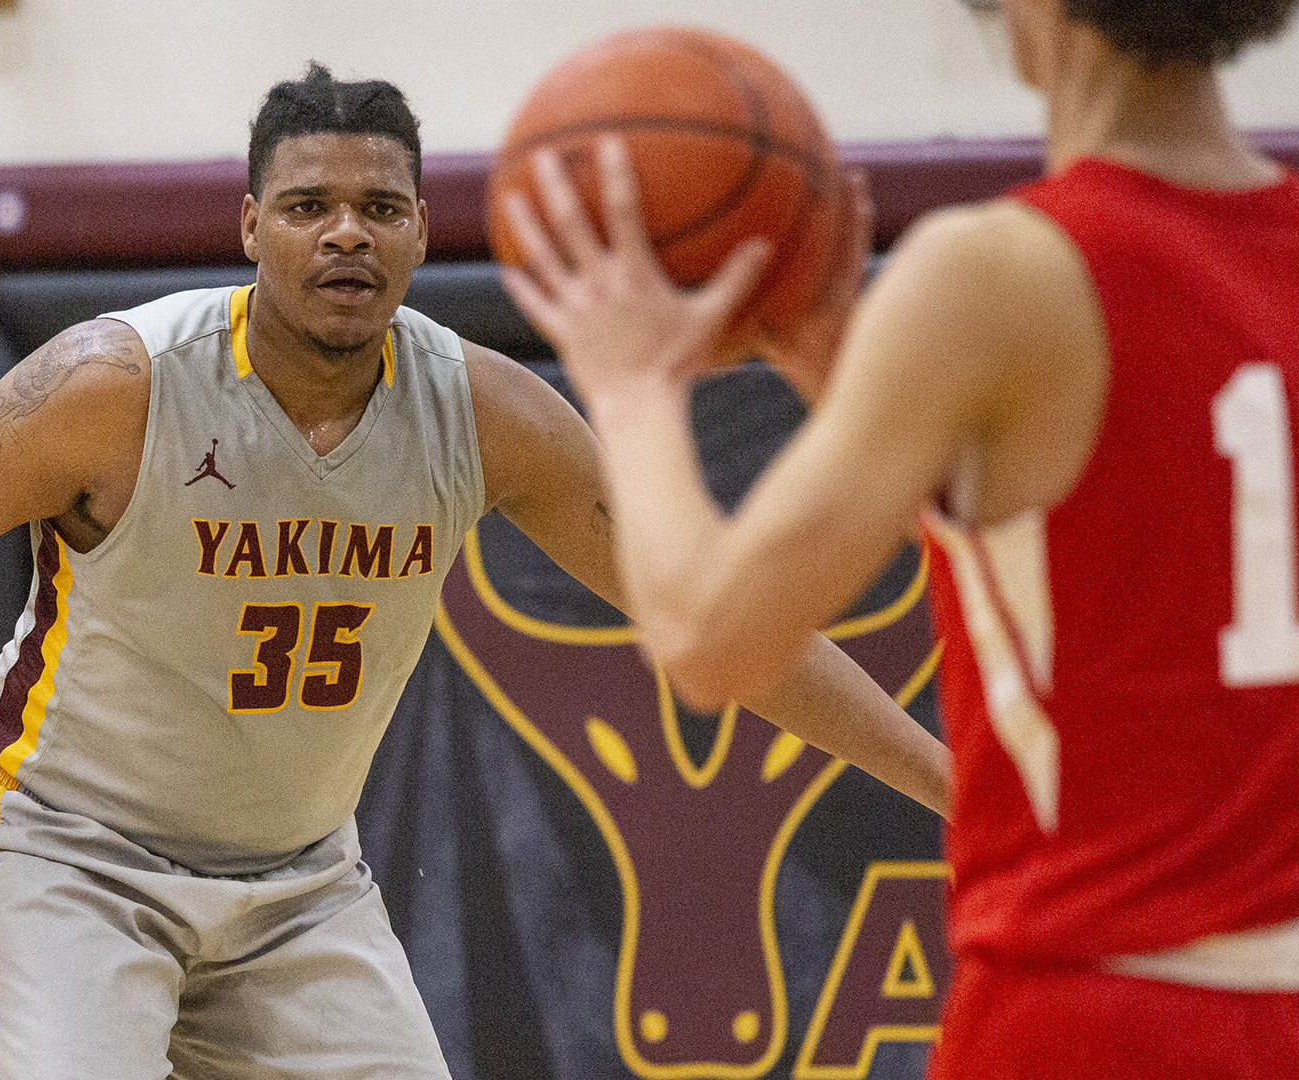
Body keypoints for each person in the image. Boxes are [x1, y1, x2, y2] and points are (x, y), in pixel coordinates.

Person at [0, 64, 948, 1079]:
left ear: (422, 232)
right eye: (310, 206)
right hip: (69, 861)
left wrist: (957, 787)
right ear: (251, 229)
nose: (346, 234)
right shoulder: (110, 386)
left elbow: (714, 623)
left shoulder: (484, 414)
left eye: (381, 208)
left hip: (297, 887)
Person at [500, 1, 1299, 1077]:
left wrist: (632, 384)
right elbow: (1117, 557)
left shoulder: (995, 272)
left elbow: (708, 641)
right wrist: (850, 383)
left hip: (1096, 1008)